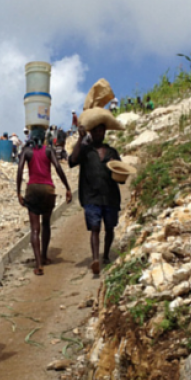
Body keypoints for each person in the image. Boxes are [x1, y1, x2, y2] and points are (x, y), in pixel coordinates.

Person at [69, 108, 126, 276]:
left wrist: (116, 166)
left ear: (105, 132)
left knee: (109, 228)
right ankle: (95, 259)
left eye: (101, 130)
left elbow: (122, 179)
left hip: (110, 197)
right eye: (94, 131)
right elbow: (72, 161)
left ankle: (106, 254)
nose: (98, 133)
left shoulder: (112, 152)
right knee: (94, 228)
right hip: (91, 197)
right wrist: (80, 139)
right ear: (91, 133)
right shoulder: (86, 151)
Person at [16, 127, 72, 276]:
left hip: (32, 190)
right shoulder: (48, 150)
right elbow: (58, 167)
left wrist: (18, 192)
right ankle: (44, 256)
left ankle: (38, 264)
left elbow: (20, 170)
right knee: (46, 224)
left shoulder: (27, 151)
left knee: (35, 229)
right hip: (48, 190)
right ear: (44, 137)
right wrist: (67, 187)